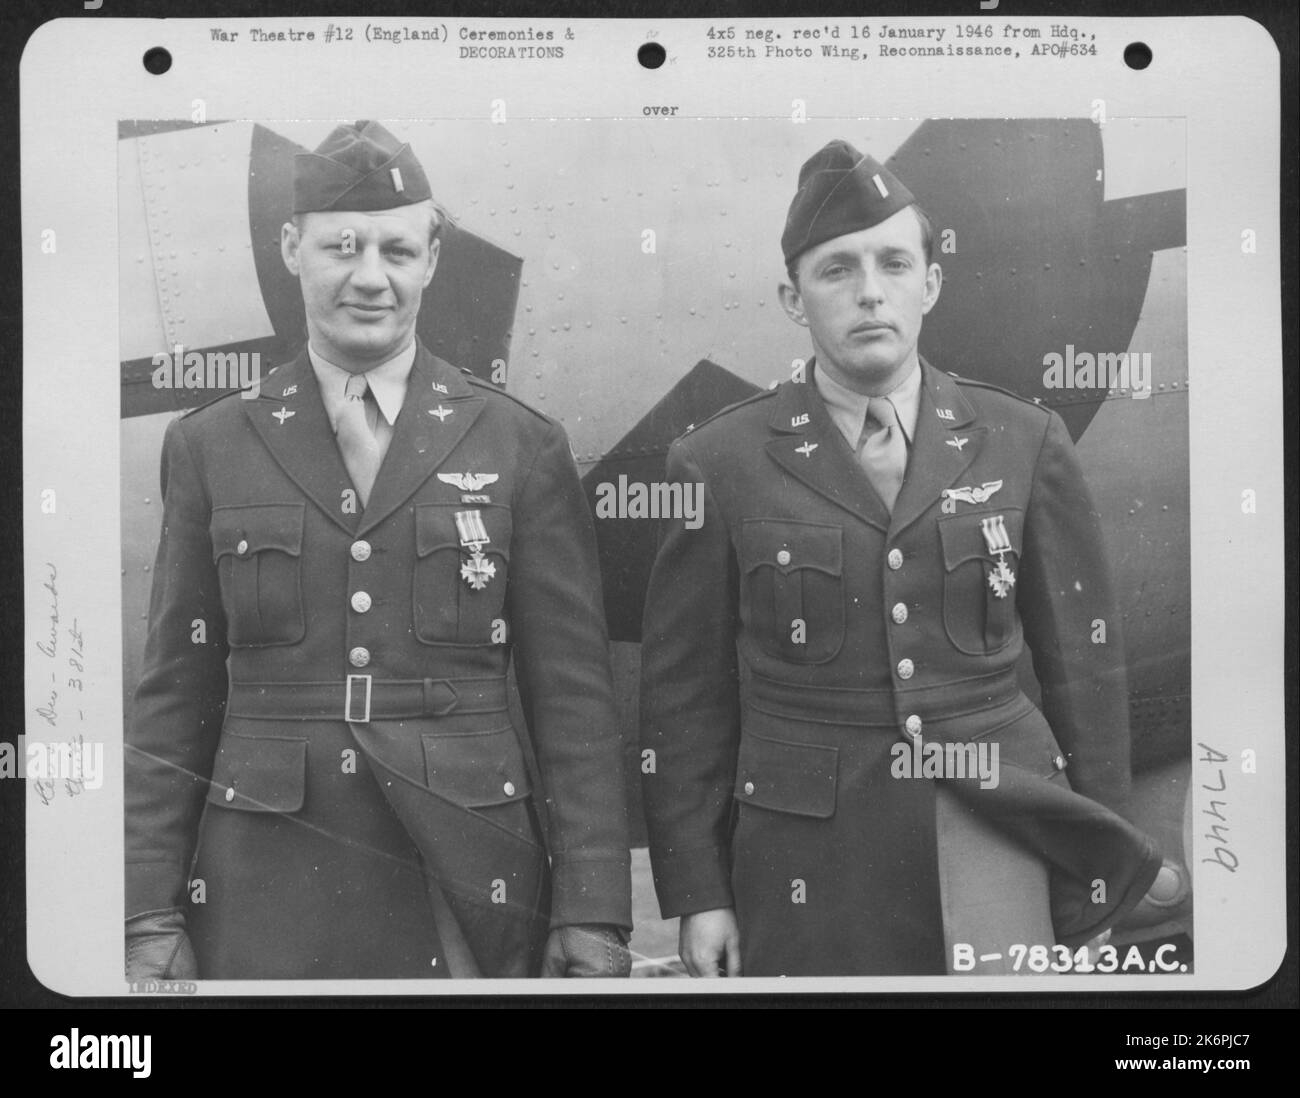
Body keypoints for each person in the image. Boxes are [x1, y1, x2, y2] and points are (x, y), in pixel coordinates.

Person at [639, 139, 1163, 977]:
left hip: (998, 827)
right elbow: (685, 698)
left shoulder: (1022, 441)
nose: (870, 292)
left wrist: (1093, 871)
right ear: (791, 296)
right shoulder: (719, 462)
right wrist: (702, 893)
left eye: (893, 262)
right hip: (809, 855)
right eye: (836, 270)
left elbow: (1085, 672)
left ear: (932, 281)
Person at [124, 120, 632, 980]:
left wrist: (592, 912)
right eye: (342, 247)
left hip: (466, 867)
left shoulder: (516, 445)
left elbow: (573, 702)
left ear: (433, 257)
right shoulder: (212, 443)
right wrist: (147, 910)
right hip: (267, 878)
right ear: (292, 247)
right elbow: (177, 692)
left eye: (398, 250)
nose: (371, 277)